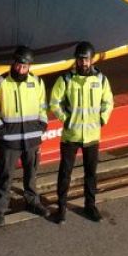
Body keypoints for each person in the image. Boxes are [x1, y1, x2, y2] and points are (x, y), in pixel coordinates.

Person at [48, 41, 114, 223]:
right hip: (71, 136)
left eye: (86, 59)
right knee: (65, 174)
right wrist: (66, 119)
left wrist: (102, 119)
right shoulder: (65, 80)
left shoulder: (101, 80)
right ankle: (61, 208)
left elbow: (108, 102)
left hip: (92, 136)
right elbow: (54, 102)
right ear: (76, 60)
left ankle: (90, 206)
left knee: (91, 174)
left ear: (92, 60)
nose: (83, 63)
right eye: (80, 59)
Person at [0, 46, 48, 224]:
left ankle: (32, 202)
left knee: (31, 174)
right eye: (19, 65)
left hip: (32, 139)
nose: (21, 69)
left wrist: (42, 125)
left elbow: (42, 106)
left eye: (25, 66)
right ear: (13, 63)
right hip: (9, 140)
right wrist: (0, 129)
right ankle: (0, 209)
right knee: (5, 176)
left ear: (29, 66)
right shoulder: (0, 83)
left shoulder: (37, 82)